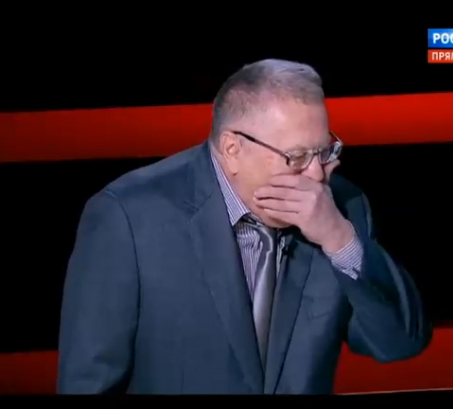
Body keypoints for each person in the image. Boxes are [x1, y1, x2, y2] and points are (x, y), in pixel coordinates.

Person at [57, 59, 432, 394]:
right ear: (233, 150)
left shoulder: (340, 208)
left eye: (324, 152)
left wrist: (340, 240)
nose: (317, 176)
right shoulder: (128, 217)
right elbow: (88, 381)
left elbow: (400, 344)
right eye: (297, 157)